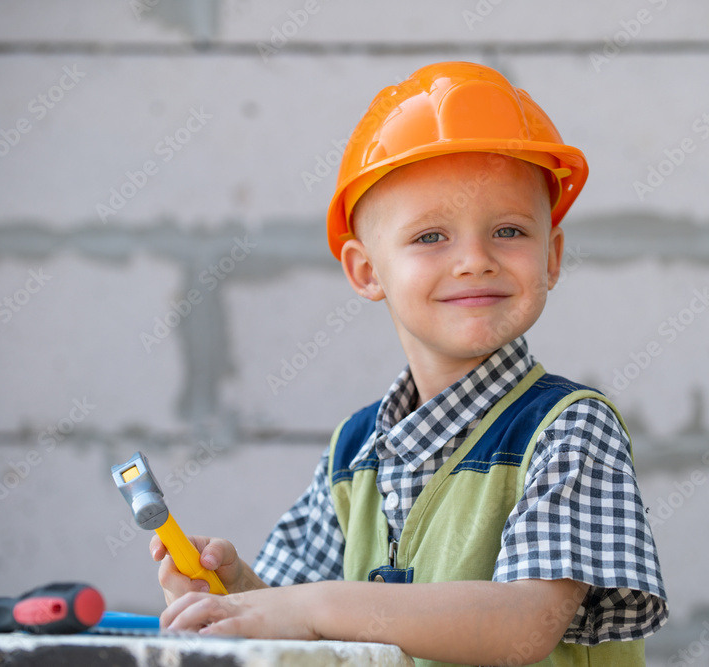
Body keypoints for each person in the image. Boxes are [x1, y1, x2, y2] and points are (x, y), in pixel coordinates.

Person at [152, 61, 668, 666]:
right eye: (430, 237)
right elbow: (296, 625)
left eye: (508, 230)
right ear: (366, 270)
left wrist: (311, 608)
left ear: (551, 257)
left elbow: (523, 625)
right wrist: (237, 594)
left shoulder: (568, 430)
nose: (475, 260)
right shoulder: (352, 453)